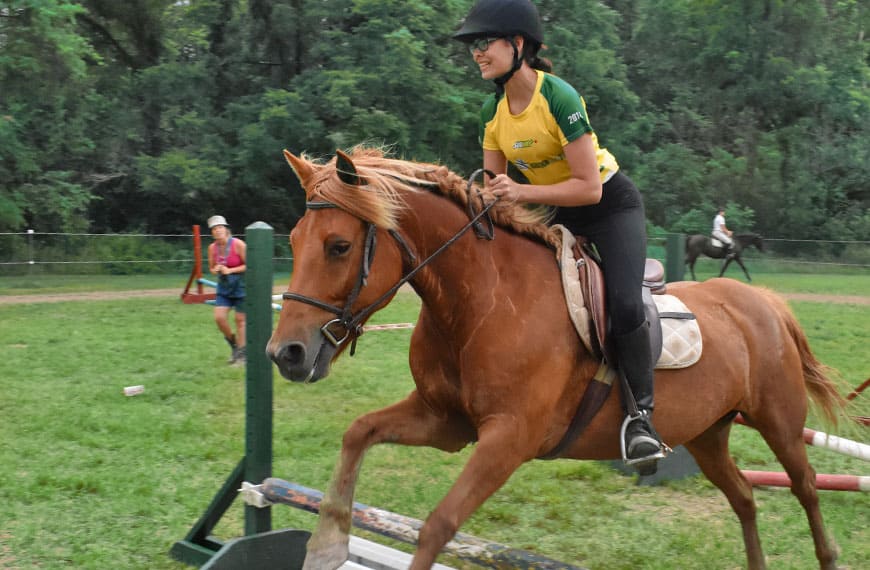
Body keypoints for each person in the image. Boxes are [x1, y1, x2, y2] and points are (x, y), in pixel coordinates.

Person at [454, 0, 665, 469]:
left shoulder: (560, 98)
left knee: (626, 305)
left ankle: (641, 419)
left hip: (610, 207)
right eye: (473, 45)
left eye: (484, 43)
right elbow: (497, 193)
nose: (477, 53)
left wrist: (520, 190)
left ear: (518, 45)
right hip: (557, 212)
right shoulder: (492, 113)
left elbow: (589, 188)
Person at [207, 215, 247, 364]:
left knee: (240, 320)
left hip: (241, 286)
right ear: (212, 233)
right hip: (224, 287)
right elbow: (211, 268)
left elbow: (249, 265)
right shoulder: (212, 248)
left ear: (226, 229)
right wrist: (217, 269)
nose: (217, 231)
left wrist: (230, 270)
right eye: (214, 229)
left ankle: (242, 355)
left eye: (220, 228)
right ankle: (234, 345)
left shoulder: (239, 245)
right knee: (219, 318)